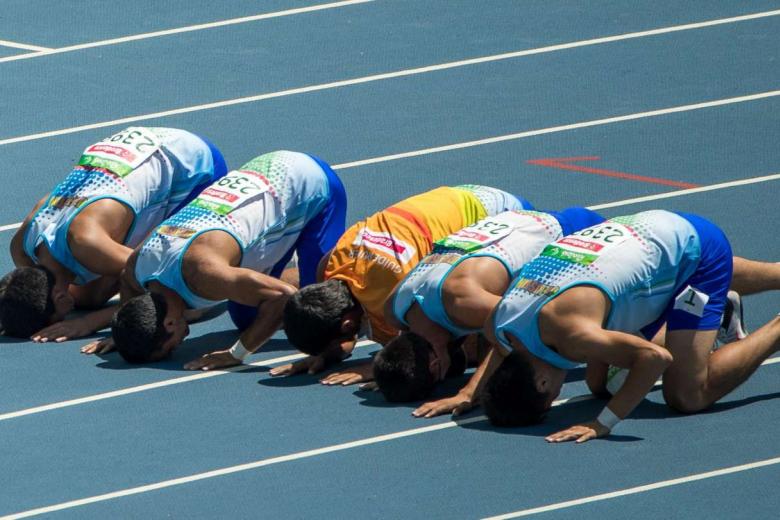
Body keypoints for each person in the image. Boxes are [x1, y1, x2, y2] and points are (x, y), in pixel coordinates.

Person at [478, 210, 780, 443]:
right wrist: (469, 393)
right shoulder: (500, 325)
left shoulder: (574, 334)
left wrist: (603, 423)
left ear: (542, 385)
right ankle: (721, 305)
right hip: (634, 230)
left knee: (686, 395)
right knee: (600, 385)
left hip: (694, 252)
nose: (557, 396)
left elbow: (653, 358)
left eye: (550, 402)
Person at [82, 150, 346, 365]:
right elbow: (126, 280)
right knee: (248, 321)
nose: (178, 348)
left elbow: (283, 297)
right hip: (260, 178)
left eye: (170, 349)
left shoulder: (204, 275)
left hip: (308, 183)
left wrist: (237, 354)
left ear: (170, 322)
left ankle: (358, 279)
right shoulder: (139, 269)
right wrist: (126, 331)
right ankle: (284, 274)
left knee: (319, 319)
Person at [276, 185, 533, 378]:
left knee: (465, 353)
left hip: (509, 217)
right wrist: (327, 353)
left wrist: (376, 367)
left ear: (346, 324)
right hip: (466, 196)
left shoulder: (393, 296)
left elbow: (422, 350)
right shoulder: (331, 266)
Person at [0, 127, 227, 341]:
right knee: (90, 297)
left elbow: (165, 290)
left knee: (184, 303)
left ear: (60, 297)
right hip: (129, 146)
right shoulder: (21, 248)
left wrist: (90, 323)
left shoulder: (88, 243)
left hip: (195, 164)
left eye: (58, 316)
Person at [373, 207, 605, 406]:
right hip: (515, 221)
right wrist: (392, 375)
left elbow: (519, 328)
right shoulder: (394, 309)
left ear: (435, 366)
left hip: (578, 234)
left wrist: (469, 391)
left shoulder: (462, 301)